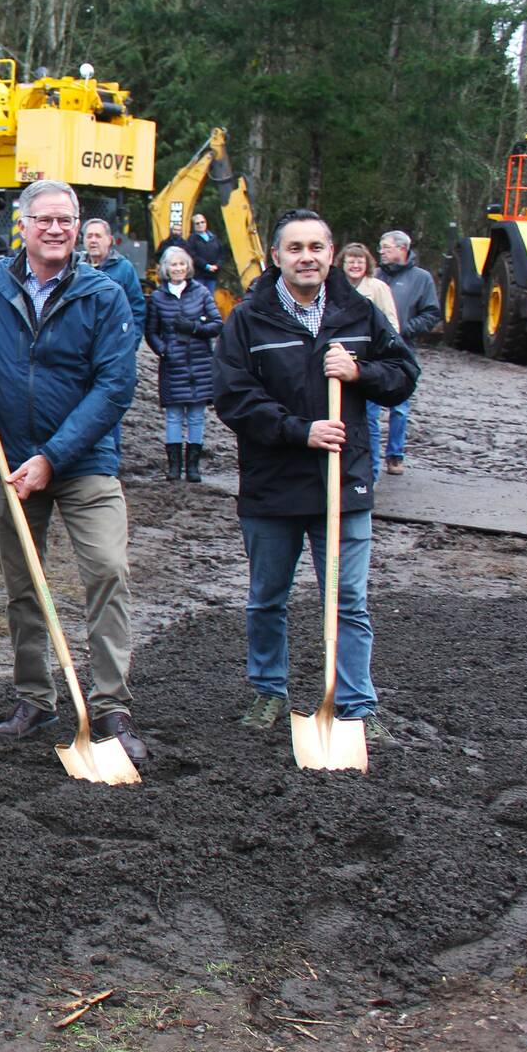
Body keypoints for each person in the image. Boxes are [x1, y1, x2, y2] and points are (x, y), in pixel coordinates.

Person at [0, 178, 145, 759]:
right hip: (7, 458)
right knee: (23, 585)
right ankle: (34, 697)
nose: (55, 229)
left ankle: (111, 708)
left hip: (85, 465)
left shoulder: (104, 295)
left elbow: (115, 387)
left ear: (79, 228)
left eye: (66, 220)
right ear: (20, 226)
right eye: (44, 219)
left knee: (106, 572)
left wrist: (53, 458)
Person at [214, 209, 418, 740]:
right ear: (275, 257)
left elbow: (404, 376)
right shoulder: (248, 319)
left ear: (332, 255)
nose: (307, 257)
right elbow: (233, 398)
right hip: (273, 485)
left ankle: (354, 704)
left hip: (342, 483)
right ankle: (268, 692)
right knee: (267, 598)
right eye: (295, 248)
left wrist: (360, 370)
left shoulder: (359, 314)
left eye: (317, 247)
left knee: (347, 599)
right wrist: (297, 431)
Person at [144, 243, 223, 482]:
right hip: (173, 364)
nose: (177, 268)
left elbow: (217, 324)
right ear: (165, 269)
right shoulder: (157, 297)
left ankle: (193, 467)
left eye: (181, 264)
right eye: (173, 265)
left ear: (187, 266)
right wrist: (163, 350)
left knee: (197, 416)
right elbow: (151, 331)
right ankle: (174, 466)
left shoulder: (200, 292)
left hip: (199, 363)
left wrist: (195, 328)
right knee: (174, 417)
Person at [374, 229, 439, 476]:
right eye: (381, 247)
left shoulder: (421, 279)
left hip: (403, 350)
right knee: (369, 406)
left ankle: (395, 455)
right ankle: (369, 454)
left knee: (399, 407)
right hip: (374, 349)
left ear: (402, 249)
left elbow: (432, 313)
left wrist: (405, 330)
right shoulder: (376, 276)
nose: (381, 252)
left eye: (386, 247)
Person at [341, 244, 400, 479]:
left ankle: (372, 474)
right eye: (350, 261)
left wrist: (383, 354)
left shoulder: (378, 288)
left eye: (359, 261)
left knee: (369, 419)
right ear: (342, 264)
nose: (355, 265)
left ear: (367, 264)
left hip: (368, 363)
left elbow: (393, 324)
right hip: (339, 360)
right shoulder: (334, 287)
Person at [83, 218, 146, 333]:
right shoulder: (76, 268)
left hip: (113, 341)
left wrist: (131, 344)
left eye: (98, 236)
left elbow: (137, 310)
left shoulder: (124, 269)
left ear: (109, 240)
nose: (93, 240)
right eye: (89, 236)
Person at [185, 213, 225, 293]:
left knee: (209, 297)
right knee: (199, 297)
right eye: (197, 223)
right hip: (198, 275)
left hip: (212, 275)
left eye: (202, 222)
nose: (200, 225)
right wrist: (206, 266)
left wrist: (217, 265)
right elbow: (193, 256)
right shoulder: (191, 240)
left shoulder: (214, 238)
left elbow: (222, 254)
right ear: (193, 226)